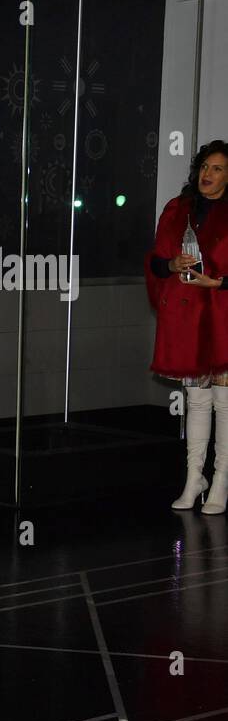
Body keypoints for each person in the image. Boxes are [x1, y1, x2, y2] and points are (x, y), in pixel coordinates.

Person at [146, 140, 228, 514]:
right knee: (196, 401)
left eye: (218, 169)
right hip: (190, 319)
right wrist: (172, 265)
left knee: (224, 404)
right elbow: (155, 263)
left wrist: (220, 283)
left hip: (224, 317)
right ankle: (194, 477)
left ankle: (221, 479)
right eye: (204, 167)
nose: (207, 175)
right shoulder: (177, 209)